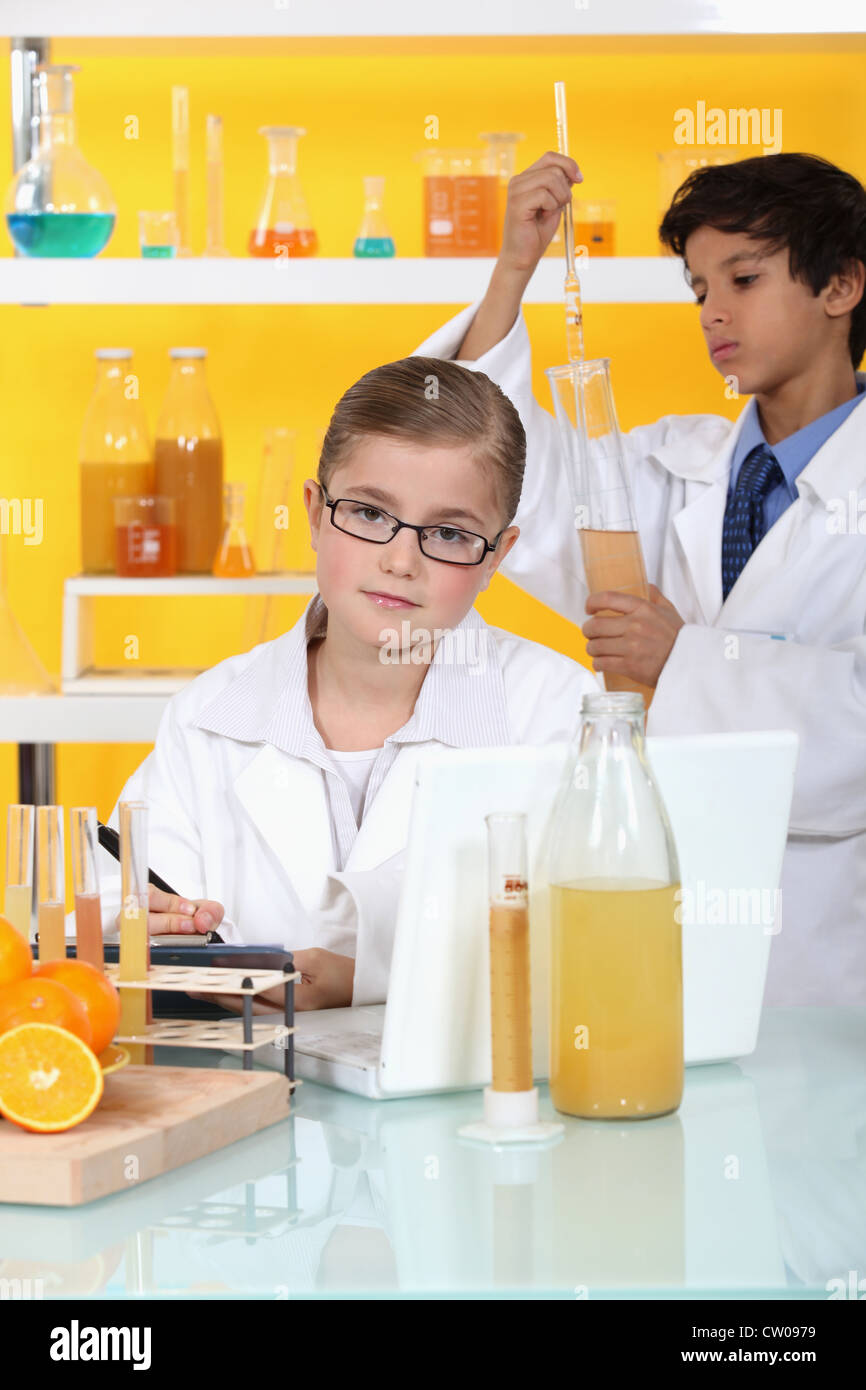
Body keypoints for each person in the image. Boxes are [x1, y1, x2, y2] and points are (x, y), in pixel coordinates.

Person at [412, 150, 866, 1006]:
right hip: (649, 914)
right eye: (699, 290)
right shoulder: (668, 467)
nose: (714, 314)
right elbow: (501, 467)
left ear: (840, 287)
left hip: (825, 957)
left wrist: (683, 663)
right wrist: (514, 270)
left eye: (743, 278)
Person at [93, 357, 599, 1011]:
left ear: (497, 556)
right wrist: (148, 936)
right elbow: (124, 925)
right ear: (313, 512)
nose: (399, 560)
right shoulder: (207, 718)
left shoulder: (561, 715)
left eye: (448, 533)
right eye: (367, 513)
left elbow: (588, 946)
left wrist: (367, 977)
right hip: (250, 1099)